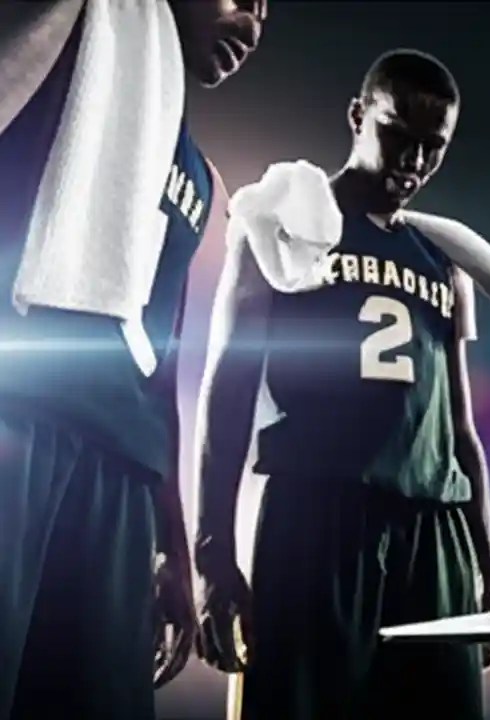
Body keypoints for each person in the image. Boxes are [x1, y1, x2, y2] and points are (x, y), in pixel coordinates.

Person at [192, 49, 490, 720]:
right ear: (357, 116)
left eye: (431, 149)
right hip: (318, 518)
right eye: (398, 136)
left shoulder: (444, 256)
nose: (412, 163)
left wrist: (487, 569)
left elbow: (457, 425)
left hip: (432, 530)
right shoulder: (284, 218)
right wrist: (212, 555)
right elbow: (229, 387)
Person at [0, 1, 265, 718]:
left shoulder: (200, 181)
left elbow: (162, 363)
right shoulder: (64, 29)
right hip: (18, 421)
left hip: (118, 474)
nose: (253, 23)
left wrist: (173, 545)